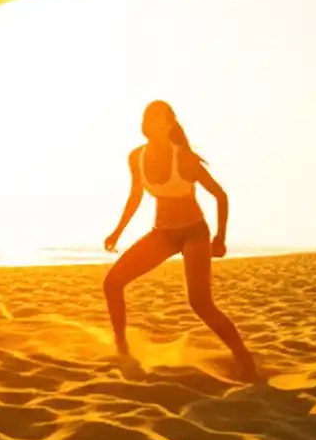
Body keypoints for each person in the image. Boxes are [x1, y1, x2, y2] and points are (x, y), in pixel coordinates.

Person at [102, 101, 256, 379]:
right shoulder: (136, 157)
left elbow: (220, 195)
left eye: (159, 119)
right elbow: (135, 196)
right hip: (162, 234)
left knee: (200, 303)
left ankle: (243, 358)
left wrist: (220, 238)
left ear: (170, 124)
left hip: (193, 232)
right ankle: (122, 348)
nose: (152, 123)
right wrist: (117, 231)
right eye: (147, 117)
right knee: (112, 283)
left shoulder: (184, 157)